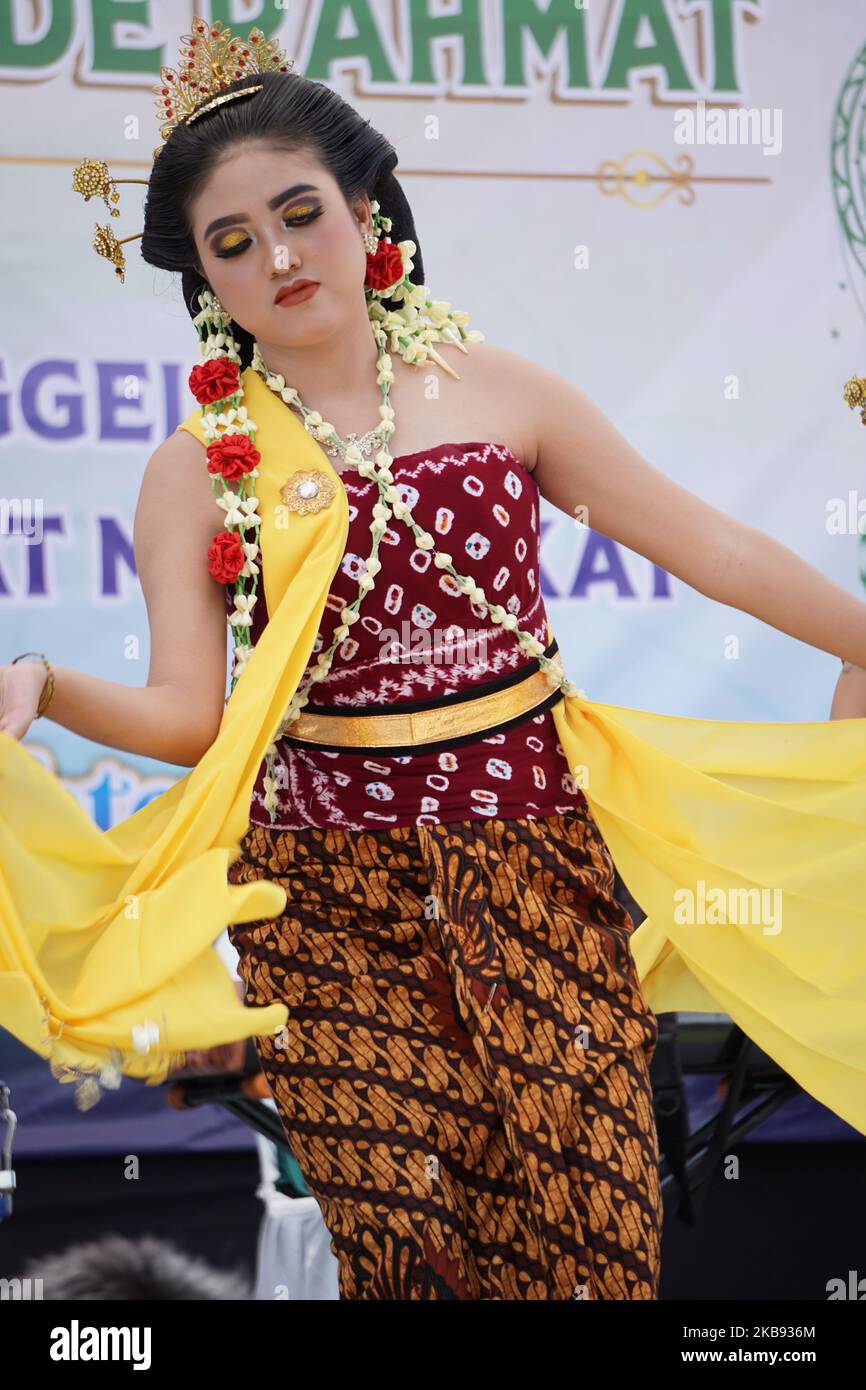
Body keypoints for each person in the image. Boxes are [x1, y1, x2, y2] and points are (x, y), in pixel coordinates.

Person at [2, 16, 866, 1301]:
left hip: (534, 863)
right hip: (324, 894)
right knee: (410, 1255)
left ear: (365, 208)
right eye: (233, 244)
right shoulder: (194, 471)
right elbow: (194, 719)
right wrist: (45, 685)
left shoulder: (498, 388)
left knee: (592, 1246)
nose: (279, 256)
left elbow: (714, 550)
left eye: (300, 213)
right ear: (207, 280)